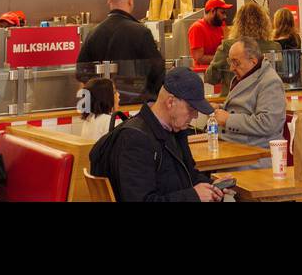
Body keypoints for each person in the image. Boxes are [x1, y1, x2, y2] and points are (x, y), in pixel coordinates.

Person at [88, 67, 224, 202]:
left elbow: (189, 174)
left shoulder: (176, 130)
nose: (195, 116)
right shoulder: (135, 140)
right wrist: (193, 196)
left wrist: (213, 187)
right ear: (170, 102)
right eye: (192, 109)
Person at [75, 0, 165, 102]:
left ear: (109, 2)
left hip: (103, 107)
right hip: (136, 105)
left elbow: (82, 74)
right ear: (130, 0)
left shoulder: (93, 33)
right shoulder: (141, 32)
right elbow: (158, 72)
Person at [208, 37, 287, 155]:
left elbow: (268, 123)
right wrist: (219, 108)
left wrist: (228, 119)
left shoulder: (270, 82)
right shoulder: (244, 76)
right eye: (230, 62)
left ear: (253, 61)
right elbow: (239, 109)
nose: (231, 68)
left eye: (236, 62)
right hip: (234, 147)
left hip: (256, 155)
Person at [204, 1, 281, 92]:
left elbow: (210, 78)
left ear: (238, 23)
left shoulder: (227, 46)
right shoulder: (275, 47)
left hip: (233, 99)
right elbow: (281, 76)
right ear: (265, 23)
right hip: (265, 97)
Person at [187, 0, 231, 71]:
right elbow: (200, 58)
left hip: (220, 70)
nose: (225, 16)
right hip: (204, 73)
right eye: (222, 13)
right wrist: (224, 58)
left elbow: (227, 48)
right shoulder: (197, 28)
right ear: (213, 11)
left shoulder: (221, 25)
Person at [75, 77, 125, 141]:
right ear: (106, 97)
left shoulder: (89, 117)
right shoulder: (108, 120)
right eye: (114, 92)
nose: (118, 94)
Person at [270, 7, 302, 83]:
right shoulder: (298, 39)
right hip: (296, 81)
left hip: (276, 81)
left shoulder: (271, 42)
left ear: (276, 22)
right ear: (291, 21)